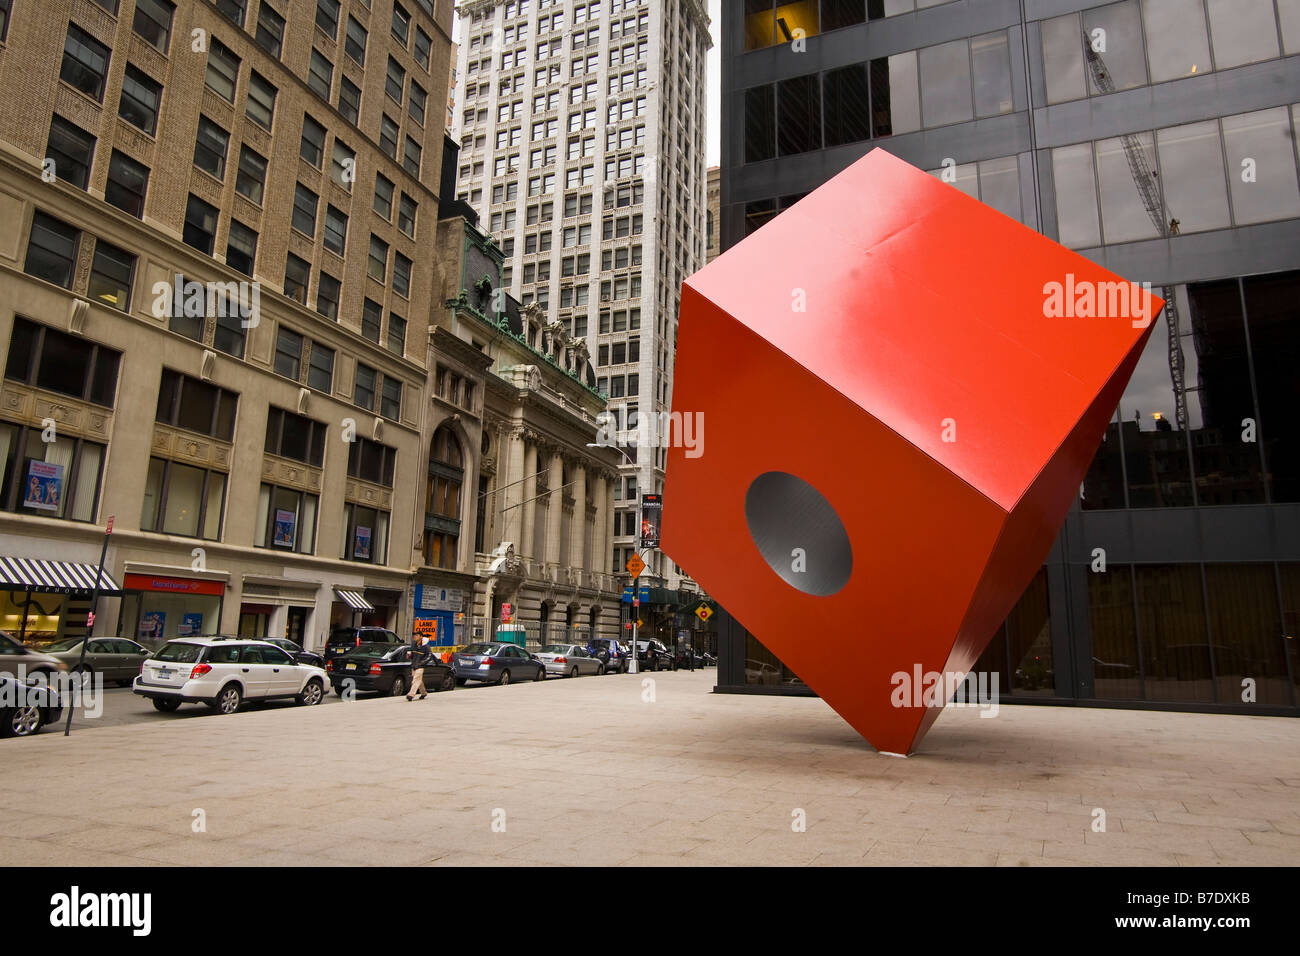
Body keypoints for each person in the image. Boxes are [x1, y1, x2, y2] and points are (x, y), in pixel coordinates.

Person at [407, 633, 432, 700]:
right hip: (414, 665)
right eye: (414, 635)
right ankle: (423, 693)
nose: (415, 636)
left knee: (415, 680)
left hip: (420, 666)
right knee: (419, 680)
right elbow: (412, 654)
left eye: (417, 635)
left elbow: (429, 656)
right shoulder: (413, 644)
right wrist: (410, 656)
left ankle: (411, 695)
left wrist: (422, 662)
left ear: (421, 637)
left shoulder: (426, 646)